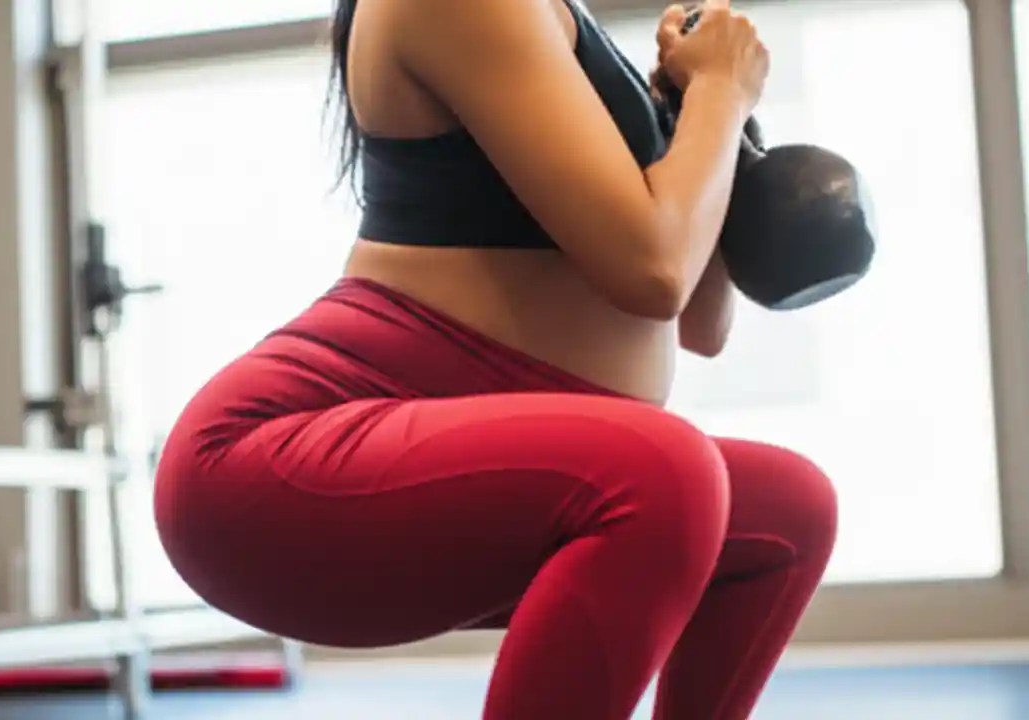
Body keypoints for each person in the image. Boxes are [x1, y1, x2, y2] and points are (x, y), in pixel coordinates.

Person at [153, 0, 837, 718]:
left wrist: (697, 108)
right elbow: (655, 271)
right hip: (269, 457)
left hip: (449, 437)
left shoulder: (556, 18)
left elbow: (700, 318)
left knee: (787, 509)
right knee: (667, 473)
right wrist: (724, 89)